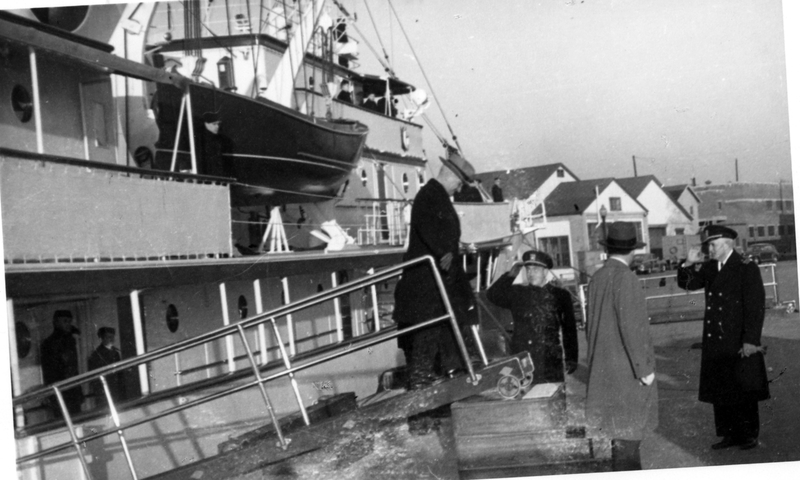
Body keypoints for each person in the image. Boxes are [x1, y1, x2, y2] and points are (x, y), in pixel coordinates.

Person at [393, 147, 478, 434]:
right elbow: (431, 230)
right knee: (421, 360)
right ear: (450, 175)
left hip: (433, 294)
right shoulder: (429, 196)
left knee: (430, 358)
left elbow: (441, 236)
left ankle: (427, 416)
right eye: (459, 182)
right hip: (425, 295)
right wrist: (447, 251)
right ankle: (418, 421)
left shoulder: (435, 196)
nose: (458, 188)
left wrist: (453, 250)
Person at [677, 224, 768, 451]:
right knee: (721, 389)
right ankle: (728, 434)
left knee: (743, 389)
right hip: (717, 341)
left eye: (714, 244)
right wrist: (687, 264)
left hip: (738, 340)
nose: (710, 249)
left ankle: (747, 435)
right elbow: (688, 284)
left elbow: (755, 307)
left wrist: (751, 340)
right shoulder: (710, 267)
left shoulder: (746, 268)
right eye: (708, 245)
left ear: (728, 243)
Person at [585, 222, 657, 471]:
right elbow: (632, 329)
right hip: (626, 374)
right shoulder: (627, 279)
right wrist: (644, 371)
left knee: (619, 442)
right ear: (632, 251)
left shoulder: (598, 278)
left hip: (603, 372)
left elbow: (590, 327)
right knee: (628, 446)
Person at [486, 250, 578, 385]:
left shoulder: (560, 295)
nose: (531, 273)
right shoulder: (517, 294)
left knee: (553, 398)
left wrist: (571, 358)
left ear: (545, 271)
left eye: (536, 269)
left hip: (549, 360)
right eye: (528, 269)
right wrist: (511, 275)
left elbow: (569, 329)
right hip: (522, 360)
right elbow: (492, 295)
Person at [40, 310, 84, 416]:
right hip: (60, 389)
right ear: (56, 322)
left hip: (72, 388)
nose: (68, 324)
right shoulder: (49, 344)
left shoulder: (69, 340)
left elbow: (73, 367)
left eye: (69, 321)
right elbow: (49, 371)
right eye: (65, 321)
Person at [88, 327, 126, 407]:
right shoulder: (96, 355)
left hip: (116, 390)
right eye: (108, 337)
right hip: (105, 391)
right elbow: (94, 377)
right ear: (102, 338)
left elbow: (119, 373)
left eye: (112, 337)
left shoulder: (115, 353)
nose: (111, 339)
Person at [198, 111, 235, 179]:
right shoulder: (201, 139)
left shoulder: (218, 139)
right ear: (206, 124)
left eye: (218, 124)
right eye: (214, 124)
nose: (217, 126)